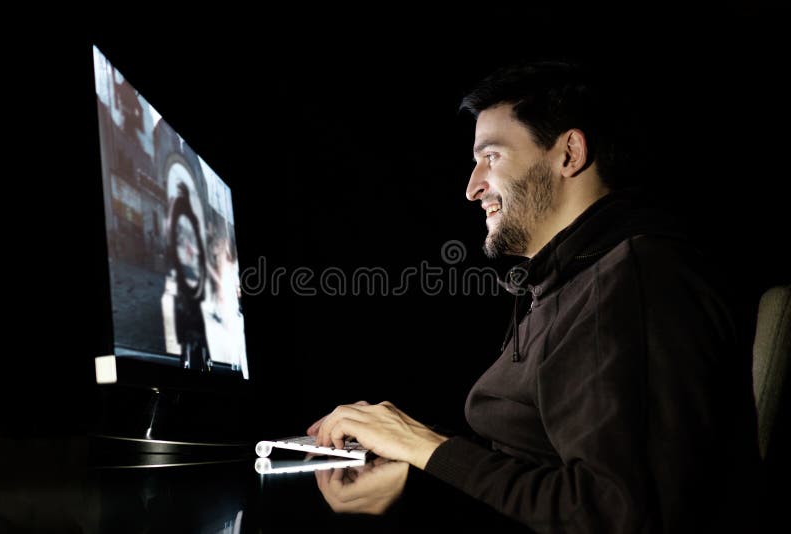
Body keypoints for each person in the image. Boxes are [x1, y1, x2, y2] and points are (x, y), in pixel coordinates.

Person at [307, 61, 761, 532]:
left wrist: (422, 446)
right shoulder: (566, 282)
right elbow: (530, 473)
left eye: (493, 157)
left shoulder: (637, 282)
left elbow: (616, 514)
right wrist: (410, 474)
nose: (472, 188)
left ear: (569, 154)